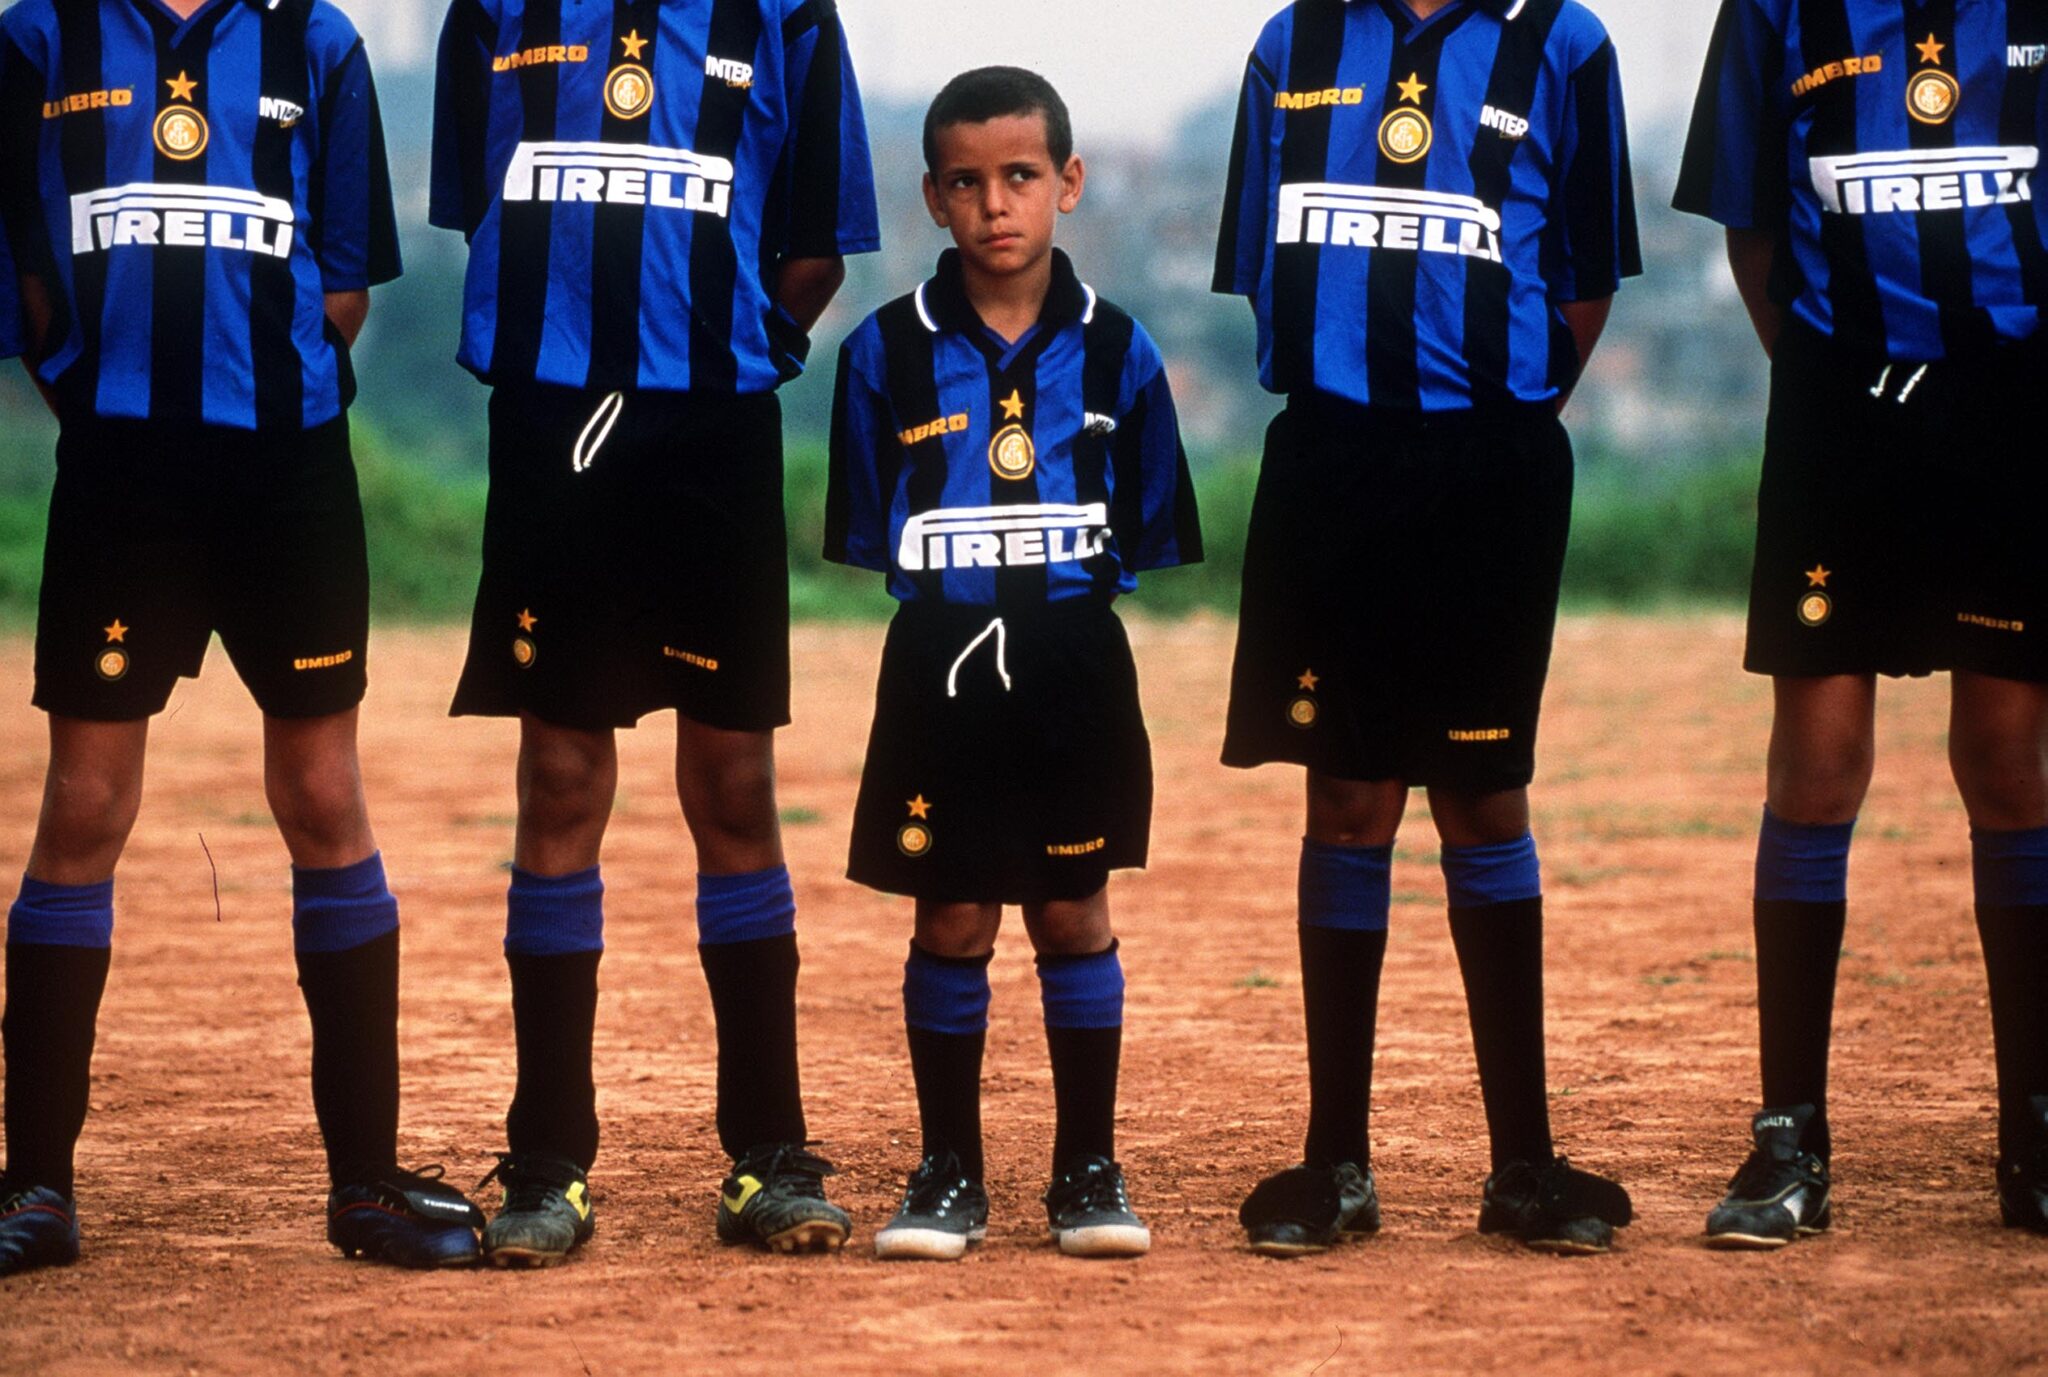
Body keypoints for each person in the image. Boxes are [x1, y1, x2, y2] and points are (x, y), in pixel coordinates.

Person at [0, 0, 484, 1276]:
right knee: (83, 806)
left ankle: (364, 1184)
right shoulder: (40, 36)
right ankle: (35, 1187)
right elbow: (31, 281)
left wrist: (259, 394)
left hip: (286, 478)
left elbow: (343, 284)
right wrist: (105, 403)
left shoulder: (314, 42)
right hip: (120, 477)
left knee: (322, 794)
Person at [429, 0, 880, 1264]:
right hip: (553, 421)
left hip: (713, 433)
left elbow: (814, 249)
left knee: (732, 785)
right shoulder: (494, 10)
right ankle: (548, 1160)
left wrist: (726, 349)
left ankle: (768, 1154)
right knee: (561, 775)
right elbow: (484, 210)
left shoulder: (786, 14)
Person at [1214, 0, 1641, 1255]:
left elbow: (1582, 282)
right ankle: (1333, 1163)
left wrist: (1496, 416)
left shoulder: (1563, 43)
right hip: (1329, 462)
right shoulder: (1288, 44)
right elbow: (1262, 267)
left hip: (1487, 467)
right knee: (1345, 797)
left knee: (1480, 795)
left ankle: (1523, 1165)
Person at [1676, 0, 2048, 1248]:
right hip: (1840, 417)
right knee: (1817, 764)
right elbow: (1749, 227)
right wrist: (1826, 377)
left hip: (2012, 417)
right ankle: (1788, 1135)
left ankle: (2032, 1128)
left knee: (2005, 760)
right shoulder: (1775, 10)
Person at [826, 66, 1202, 1262]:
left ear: (1067, 182)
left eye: (1021, 176)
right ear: (932, 197)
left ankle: (1087, 1169)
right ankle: (947, 1171)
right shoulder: (880, 352)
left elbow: (1143, 527)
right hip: (937, 665)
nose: (996, 205)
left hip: (1072, 666)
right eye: (967, 182)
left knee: (1071, 908)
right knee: (950, 912)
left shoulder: (1121, 351)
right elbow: (870, 530)